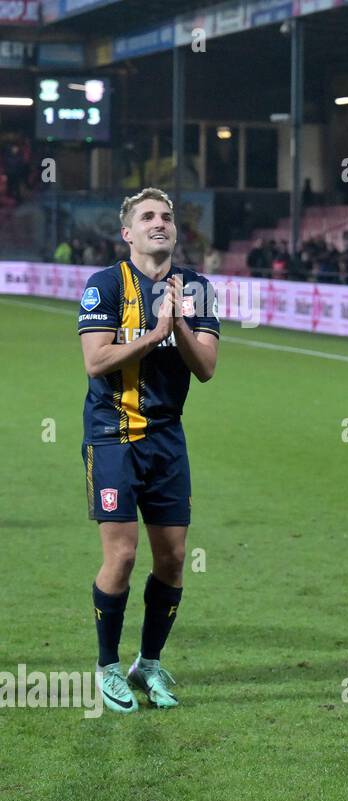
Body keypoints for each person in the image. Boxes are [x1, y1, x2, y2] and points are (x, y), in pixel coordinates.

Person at [77, 187, 221, 713]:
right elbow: (96, 361)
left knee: (174, 558)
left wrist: (178, 323)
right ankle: (107, 665)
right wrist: (155, 330)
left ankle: (149, 661)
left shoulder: (197, 289)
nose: (159, 223)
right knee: (122, 554)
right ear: (128, 232)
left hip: (166, 439)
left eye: (166, 216)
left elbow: (205, 367)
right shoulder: (105, 285)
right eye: (147, 217)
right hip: (112, 435)